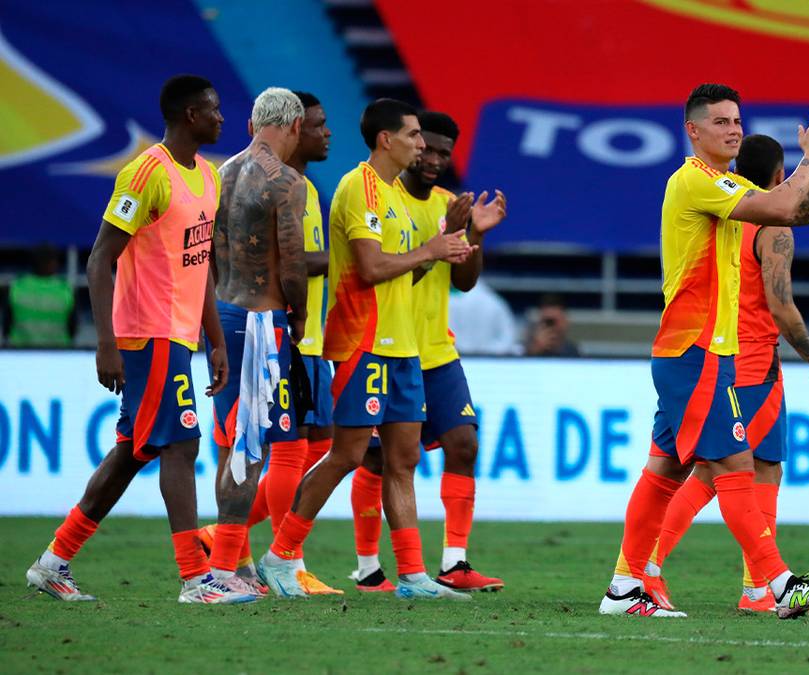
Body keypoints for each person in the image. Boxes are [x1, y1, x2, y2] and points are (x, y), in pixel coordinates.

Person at [598, 83, 809, 620]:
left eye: (737, 120)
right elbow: (783, 202)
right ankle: (777, 586)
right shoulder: (697, 180)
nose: (734, 129)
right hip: (697, 350)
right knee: (734, 464)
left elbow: (793, 214)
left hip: (707, 353)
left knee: (664, 471)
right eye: (720, 122)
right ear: (693, 131)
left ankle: (625, 586)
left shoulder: (726, 184)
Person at [24, 74, 251, 604]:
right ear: (190, 115)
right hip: (146, 332)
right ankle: (196, 579)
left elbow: (200, 267)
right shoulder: (146, 173)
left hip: (178, 335)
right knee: (182, 442)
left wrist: (214, 340)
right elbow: (101, 257)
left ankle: (53, 562)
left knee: (132, 451)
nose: (222, 118)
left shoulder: (209, 179)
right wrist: (106, 343)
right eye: (214, 110)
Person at [256, 99, 474, 600]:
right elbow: (372, 268)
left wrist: (449, 239)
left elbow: (410, 269)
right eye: (415, 135)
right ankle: (279, 556)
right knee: (347, 454)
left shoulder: (396, 195)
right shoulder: (361, 188)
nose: (422, 145)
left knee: (403, 461)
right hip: (363, 342)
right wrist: (432, 249)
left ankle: (414, 576)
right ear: (386, 140)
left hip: (404, 346)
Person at [348, 111, 508, 593]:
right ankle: (367, 565)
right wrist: (436, 244)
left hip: (436, 349)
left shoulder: (447, 204)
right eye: (426, 147)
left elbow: (463, 281)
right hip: (388, 345)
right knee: (378, 460)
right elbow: (386, 271)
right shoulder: (385, 197)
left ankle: (454, 563)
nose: (434, 158)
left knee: (465, 444)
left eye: (443, 152)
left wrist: (472, 235)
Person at [199, 90, 342, 595]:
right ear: (296, 124)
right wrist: (299, 318)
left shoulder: (222, 173)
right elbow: (294, 261)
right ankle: (223, 571)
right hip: (262, 322)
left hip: (223, 312)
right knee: (257, 448)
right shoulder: (287, 181)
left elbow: (207, 256)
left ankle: (229, 565)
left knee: (237, 443)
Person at [6, 244, 76, 347]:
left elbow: (7, 325)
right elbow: (73, 329)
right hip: (59, 354)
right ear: (51, 263)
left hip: (20, 354)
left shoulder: (17, 287)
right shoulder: (65, 290)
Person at [448, 278, 521, 355]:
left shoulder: (448, 301)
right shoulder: (495, 300)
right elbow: (507, 339)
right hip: (487, 360)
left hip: (456, 358)